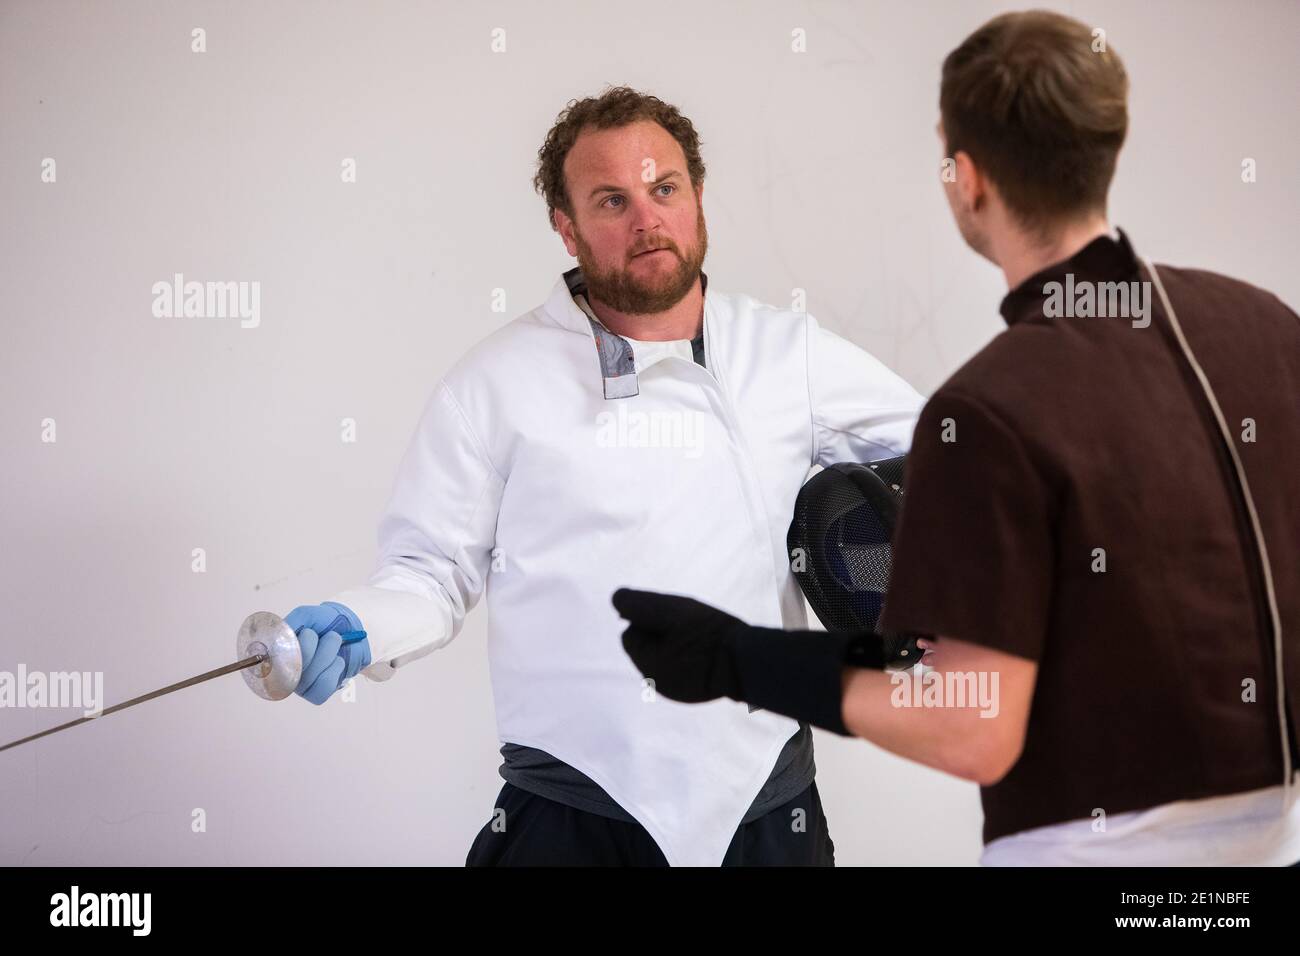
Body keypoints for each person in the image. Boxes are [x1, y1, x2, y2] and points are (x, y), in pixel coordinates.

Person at [614, 10, 1300, 865]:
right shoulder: (1268, 329)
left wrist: (737, 658)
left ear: (967, 179)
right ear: (1104, 150)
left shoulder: (988, 409)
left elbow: (967, 722)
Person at [278, 86, 922, 866]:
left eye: (665, 189)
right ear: (567, 227)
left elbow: (959, 454)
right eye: (612, 200)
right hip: (568, 814)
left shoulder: (790, 355)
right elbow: (429, 573)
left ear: (697, 196)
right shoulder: (495, 382)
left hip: (765, 810)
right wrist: (359, 624)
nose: (647, 219)